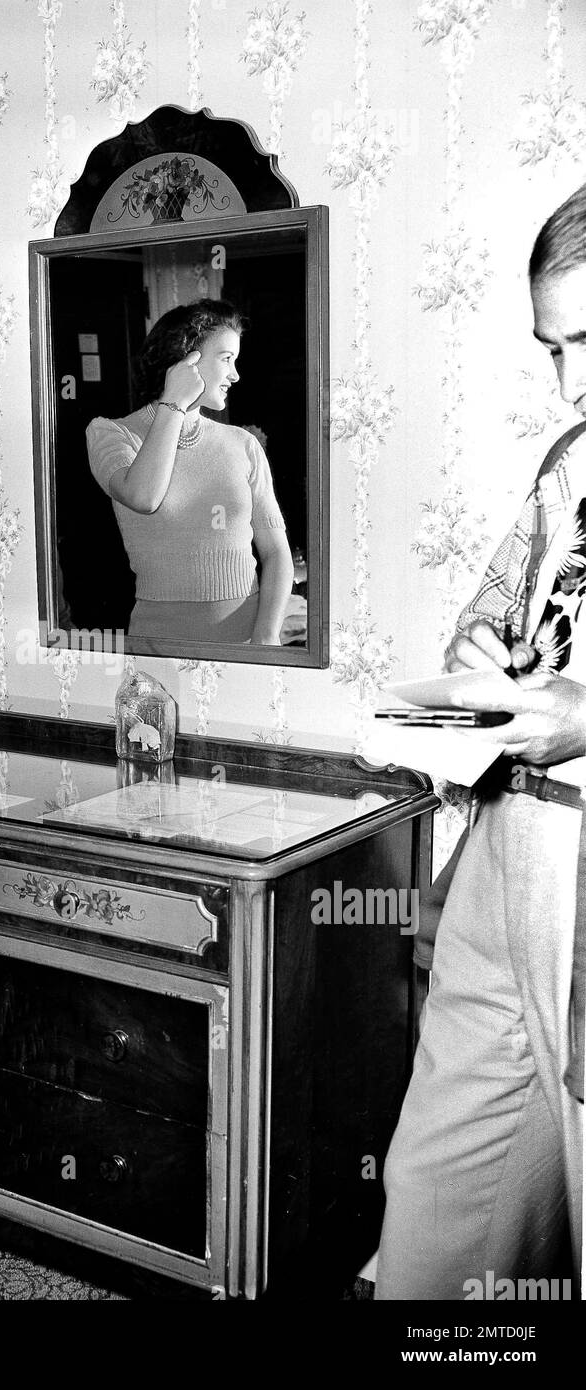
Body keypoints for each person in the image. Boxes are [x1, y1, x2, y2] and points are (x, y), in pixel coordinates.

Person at [375, 185, 586, 1300]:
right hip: (508, 849)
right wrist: (482, 655)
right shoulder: (567, 462)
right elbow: (489, 607)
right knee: (433, 1194)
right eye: (554, 347)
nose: (570, 382)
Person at [85, 298, 293, 649]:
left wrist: (265, 639)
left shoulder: (244, 444)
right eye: (226, 359)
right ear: (186, 360)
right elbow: (144, 497)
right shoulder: (111, 434)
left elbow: (276, 554)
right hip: (159, 650)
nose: (235, 375)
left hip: (247, 647)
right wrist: (174, 403)